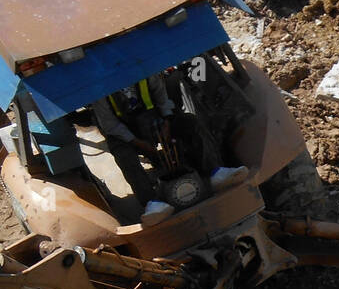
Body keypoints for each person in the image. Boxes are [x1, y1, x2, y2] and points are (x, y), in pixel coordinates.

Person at [91, 73, 248, 226]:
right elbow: (110, 125)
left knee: (189, 122)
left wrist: (167, 122)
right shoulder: (99, 91)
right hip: (128, 132)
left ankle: (215, 171)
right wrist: (138, 143)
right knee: (121, 151)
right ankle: (152, 203)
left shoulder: (143, 71)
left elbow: (162, 99)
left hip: (155, 122)